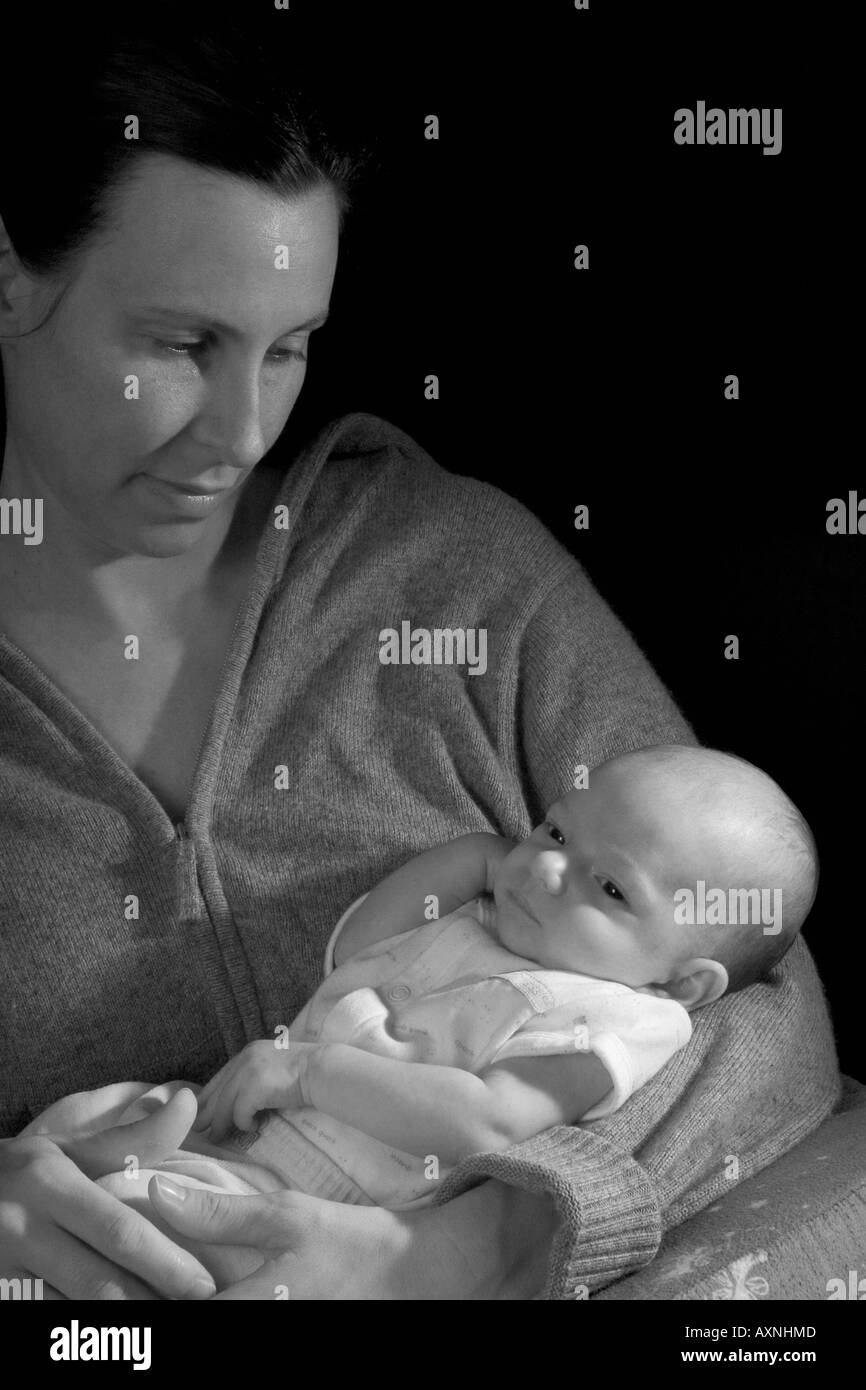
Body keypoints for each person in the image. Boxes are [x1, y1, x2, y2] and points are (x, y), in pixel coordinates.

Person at [0, 17, 840, 1301]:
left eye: (288, 349)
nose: (238, 432)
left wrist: (468, 1250)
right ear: (10, 273)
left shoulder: (448, 571)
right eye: (179, 346)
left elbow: (762, 1003)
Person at [22, 742, 821, 1293]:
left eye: (610, 889)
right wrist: (475, 854)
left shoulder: (615, 1017)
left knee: (135, 1230)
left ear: (683, 984)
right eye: (555, 829)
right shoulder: (482, 922)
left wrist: (310, 1071)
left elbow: (487, 1122)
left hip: (326, 1206)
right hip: (236, 1137)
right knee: (83, 1125)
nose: (543, 868)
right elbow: (356, 947)